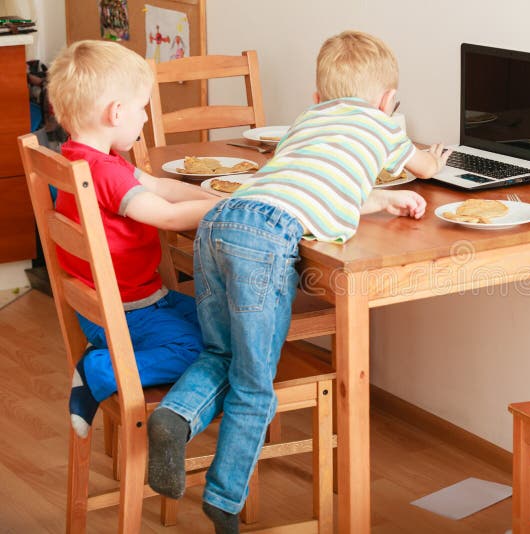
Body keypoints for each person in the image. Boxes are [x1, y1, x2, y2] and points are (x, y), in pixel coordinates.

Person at [147, 30, 450, 533]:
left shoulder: (306, 121)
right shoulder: (385, 123)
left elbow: (310, 180)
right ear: (386, 99)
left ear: (316, 98)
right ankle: (224, 500)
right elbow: (419, 166)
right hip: (265, 240)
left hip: (220, 222)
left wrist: (374, 200)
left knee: (222, 354)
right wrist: (435, 159)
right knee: (255, 380)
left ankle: (176, 416)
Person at [47, 40, 220, 438]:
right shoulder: (105, 172)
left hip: (111, 307)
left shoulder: (80, 159)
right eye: (142, 107)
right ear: (116, 112)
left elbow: (161, 187)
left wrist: (216, 196)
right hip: (126, 312)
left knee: (219, 326)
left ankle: (110, 365)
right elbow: (167, 215)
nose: (143, 117)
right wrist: (227, 210)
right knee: (196, 348)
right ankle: (101, 369)